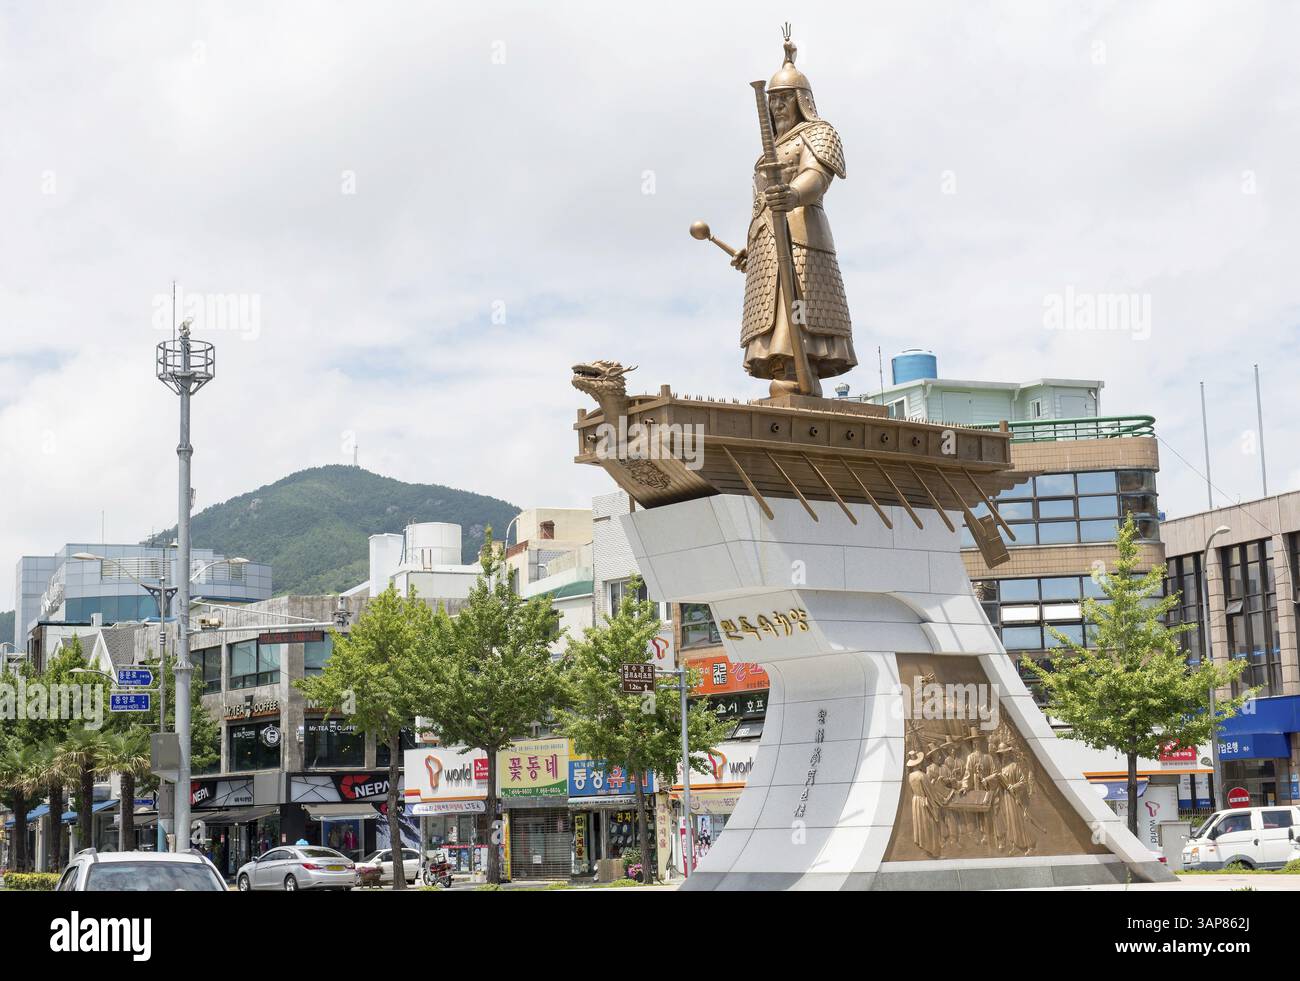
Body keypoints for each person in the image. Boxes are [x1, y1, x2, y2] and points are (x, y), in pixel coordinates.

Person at [730, 28, 856, 397]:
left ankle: (804, 368)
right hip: (767, 238)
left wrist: (793, 193)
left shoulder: (819, 132)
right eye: (774, 99)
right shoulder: (766, 151)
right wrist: (750, 248)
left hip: (802, 231)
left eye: (786, 98)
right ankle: (784, 364)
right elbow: (761, 203)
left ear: (802, 100)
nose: (778, 107)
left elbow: (817, 177)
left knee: (799, 301)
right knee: (771, 306)